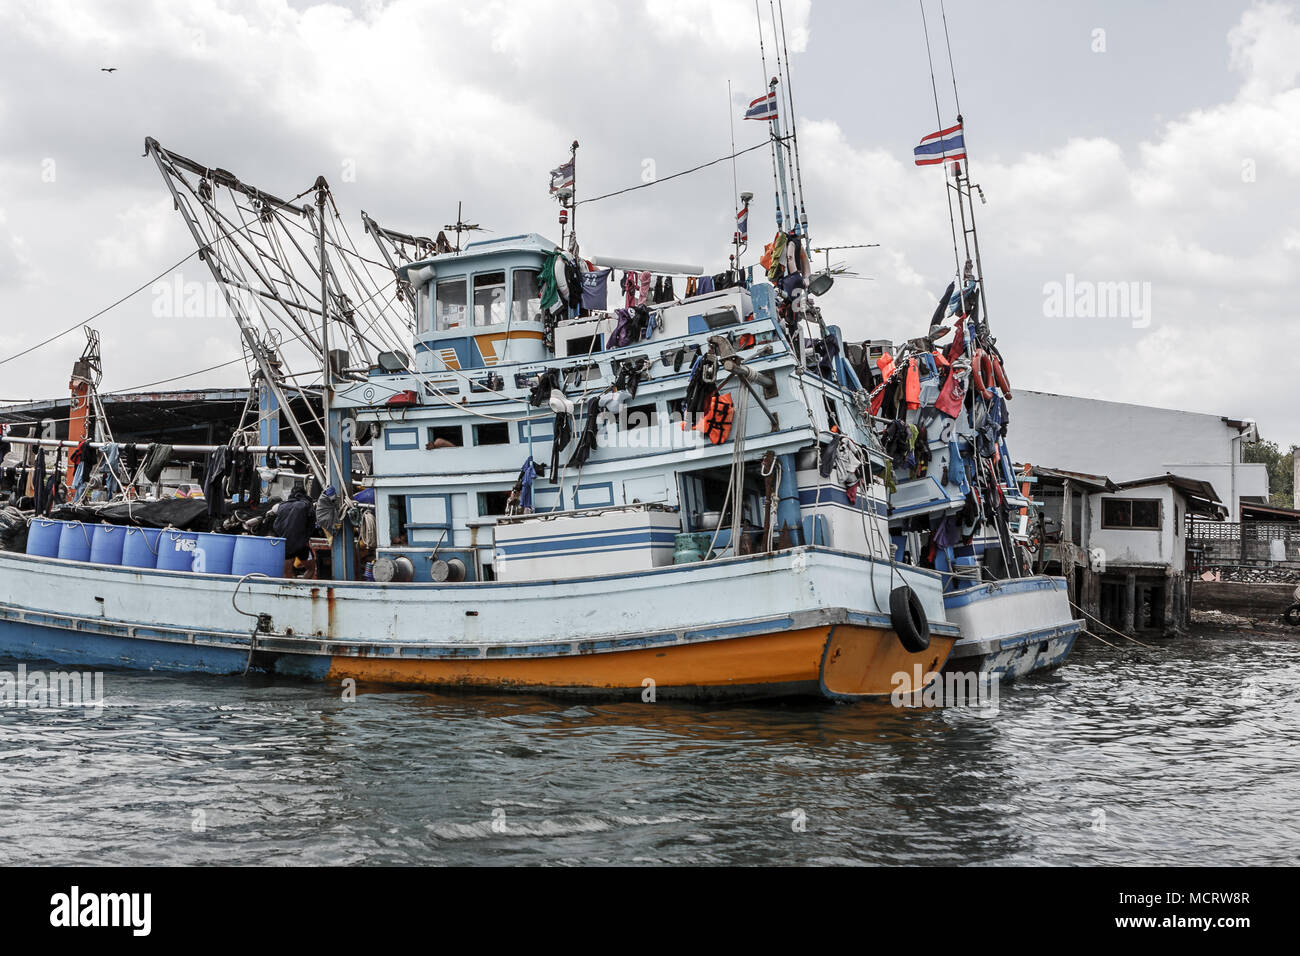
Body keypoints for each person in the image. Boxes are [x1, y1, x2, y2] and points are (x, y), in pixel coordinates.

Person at [274, 485, 317, 579]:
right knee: (311, 569)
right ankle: (302, 590)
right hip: (302, 545)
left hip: (286, 545)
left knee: (286, 572)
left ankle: (288, 591)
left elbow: (276, 526)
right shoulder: (306, 504)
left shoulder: (282, 505)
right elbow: (311, 526)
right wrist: (305, 537)